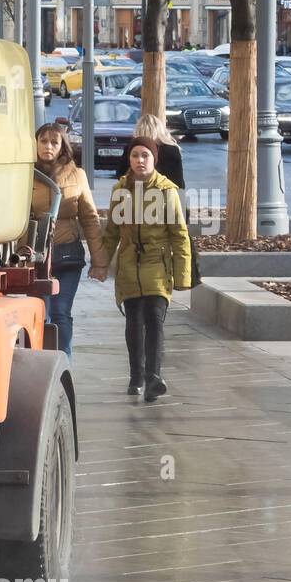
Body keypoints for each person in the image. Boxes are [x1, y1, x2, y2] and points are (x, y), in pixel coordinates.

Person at [101, 137, 192, 402]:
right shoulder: (120, 189)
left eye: (145, 156)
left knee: (154, 318)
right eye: (135, 156)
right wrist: (100, 264)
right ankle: (136, 376)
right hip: (129, 264)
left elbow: (179, 235)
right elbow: (112, 232)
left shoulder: (166, 191)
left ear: (154, 160)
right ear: (129, 160)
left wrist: (183, 274)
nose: (140, 161)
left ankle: (154, 376)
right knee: (134, 321)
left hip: (157, 265)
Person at [29, 123, 108, 358]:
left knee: (61, 312)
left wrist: (99, 261)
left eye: (54, 142)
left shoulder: (77, 175)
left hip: (67, 256)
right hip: (36, 257)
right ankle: (40, 366)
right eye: (43, 141)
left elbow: (90, 219)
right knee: (41, 314)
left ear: (63, 146)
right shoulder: (25, 174)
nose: (48, 147)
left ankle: (64, 363)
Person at [116, 114, 185, 188]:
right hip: (166, 193)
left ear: (138, 129)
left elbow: (120, 174)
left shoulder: (132, 148)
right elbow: (179, 183)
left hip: (136, 193)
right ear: (160, 129)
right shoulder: (172, 149)